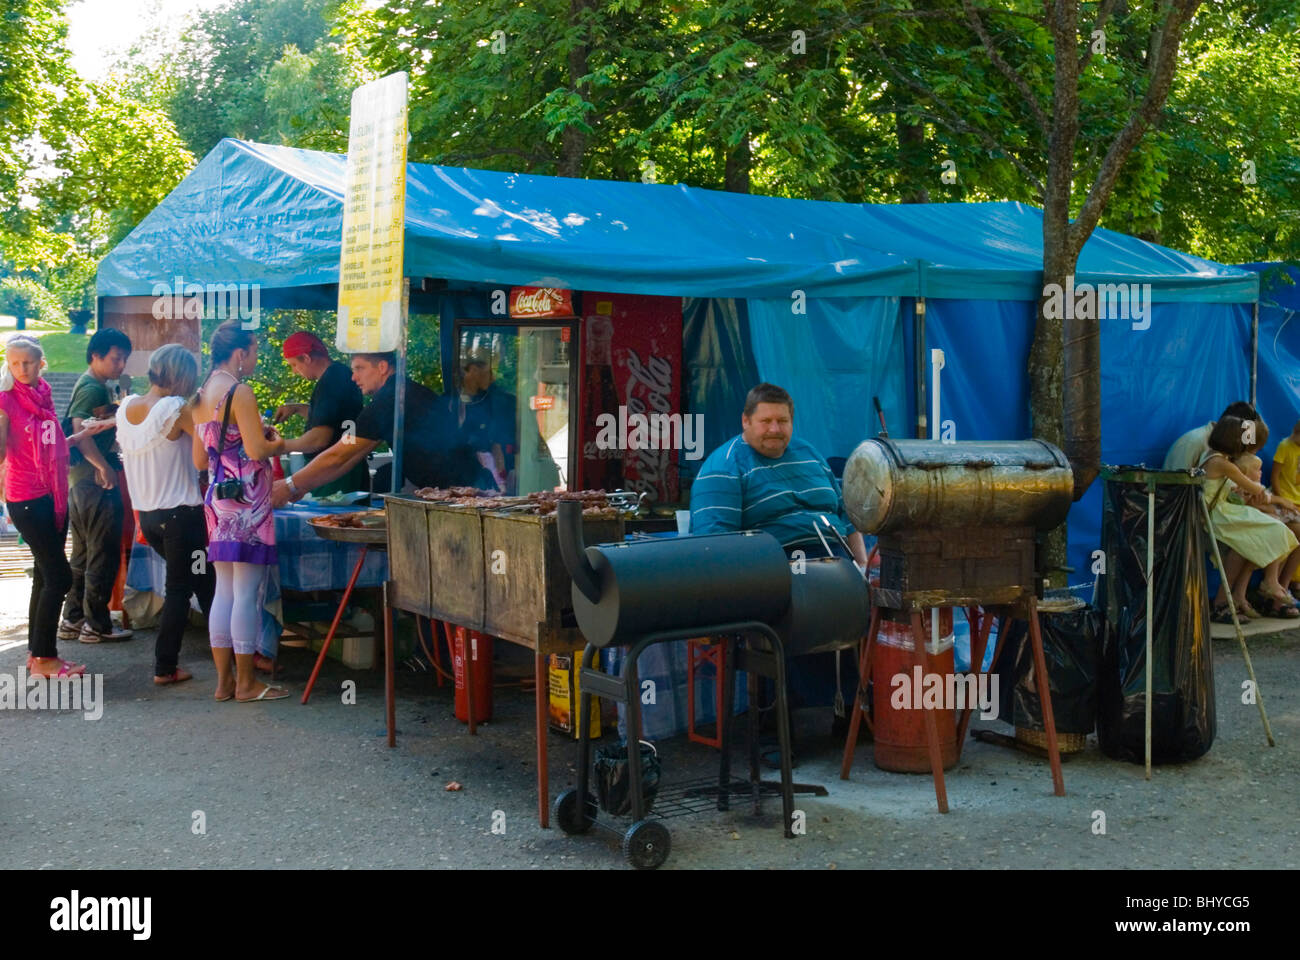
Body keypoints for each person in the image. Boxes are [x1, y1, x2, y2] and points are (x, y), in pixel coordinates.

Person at [0, 336, 113, 678]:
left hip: (52, 494)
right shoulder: (6, 400)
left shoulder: (44, 395)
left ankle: (38, 655)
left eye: (29, 362)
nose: (22, 369)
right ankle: (46, 659)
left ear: (41, 363)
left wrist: (79, 439)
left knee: (45, 577)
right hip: (26, 498)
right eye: (15, 362)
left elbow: (45, 447)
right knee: (60, 575)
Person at [192, 321, 289, 702]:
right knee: (247, 593)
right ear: (239, 354)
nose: (255, 359)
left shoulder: (201, 394)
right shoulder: (240, 391)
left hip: (217, 499)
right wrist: (276, 442)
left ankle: (224, 682)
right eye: (254, 351)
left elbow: (201, 457)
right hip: (249, 499)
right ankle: (247, 683)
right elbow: (259, 449)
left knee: (225, 592)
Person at [117, 344, 215, 685]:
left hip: (148, 516)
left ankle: (231, 653)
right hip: (182, 515)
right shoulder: (175, 408)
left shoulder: (127, 406)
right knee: (182, 588)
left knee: (204, 581)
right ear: (182, 374)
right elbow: (208, 451)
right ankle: (165, 666)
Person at [271, 351, 480, 507]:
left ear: (382, 367)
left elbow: (341, 455)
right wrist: (302, 485)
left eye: (359, 368)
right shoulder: (400, 391)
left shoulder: (392, 398)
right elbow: (351, 455)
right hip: (458, 489)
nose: (353, 377)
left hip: (463, 494)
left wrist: (289, 485)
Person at [691, 382, 868, 564]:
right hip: (775, 573)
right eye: (766, 421)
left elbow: (846, 518)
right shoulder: (723, 467)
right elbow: (714, 546)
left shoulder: (809, 454)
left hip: (840, 564)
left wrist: (863, 569)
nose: (774, 429)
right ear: (746, 421)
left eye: (782, 421)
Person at [58, 327, 135, 644]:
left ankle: (73, 619)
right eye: (116, 359)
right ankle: (97, 625)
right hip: (94, 482)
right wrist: (103, 466)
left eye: (124, 359)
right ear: (96, 356)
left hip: (79, 483)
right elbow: (79, 429)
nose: (121, 365)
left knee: (83, 554)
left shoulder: (94, 384)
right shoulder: (93, 388)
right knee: (101, 553)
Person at [1200, 416, 1300, 621]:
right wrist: (1269, 496)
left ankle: (1242, 595)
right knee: (1276, 527)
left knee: (1268, 529)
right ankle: (1270, 582)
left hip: (1221, 511)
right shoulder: (1221, 463)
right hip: (1217, 515)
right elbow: (1253, 487)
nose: (1245, 444)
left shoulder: (1215, 457)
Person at [272, 331, 369, 495]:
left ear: (307, 358)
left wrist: (276, 447)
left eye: (294, 365)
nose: (295, 371)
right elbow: (332, 418)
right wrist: (296, 408)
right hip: (345, 469)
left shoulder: (331, 381)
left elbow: (318, 440)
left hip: (335, 474)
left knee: (331, 521)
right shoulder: (339, 374)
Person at [447, 352, 516, 492]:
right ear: (473, 370)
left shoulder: (501, 400)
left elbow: (500, 441)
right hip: (462, 475)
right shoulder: (450, 402)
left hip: (496, 474)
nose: (493, 378)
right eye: (488, 372)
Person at [1164, 400, 1259, 470]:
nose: (1242, 443)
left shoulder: (1224, 446)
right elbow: (1177, 484)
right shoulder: (1194, 441)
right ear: (1232, 425)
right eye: (1244, 435)